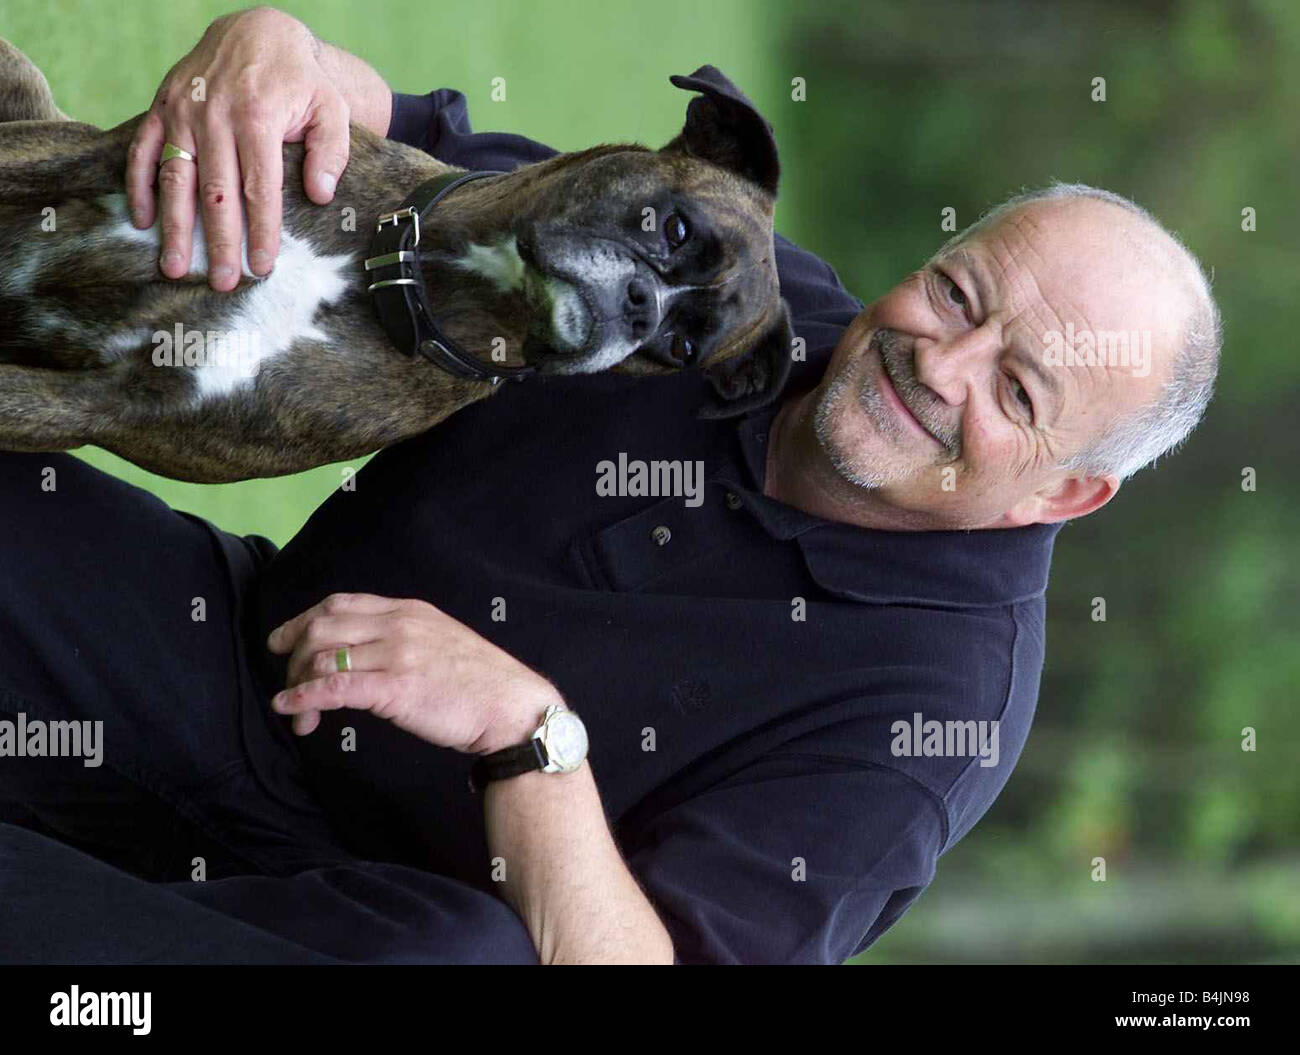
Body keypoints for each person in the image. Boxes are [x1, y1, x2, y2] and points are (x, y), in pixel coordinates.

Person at [0, 7, 1220, 964]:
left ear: (1061, 496)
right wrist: (280, 50)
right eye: (957, 295)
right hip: (236, 662)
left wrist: (529, 736)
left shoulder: (927, 721)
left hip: (381, 910)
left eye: (1017, 393)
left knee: (459, 960)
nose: (937, 364)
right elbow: (412, 138)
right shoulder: (717, 269)